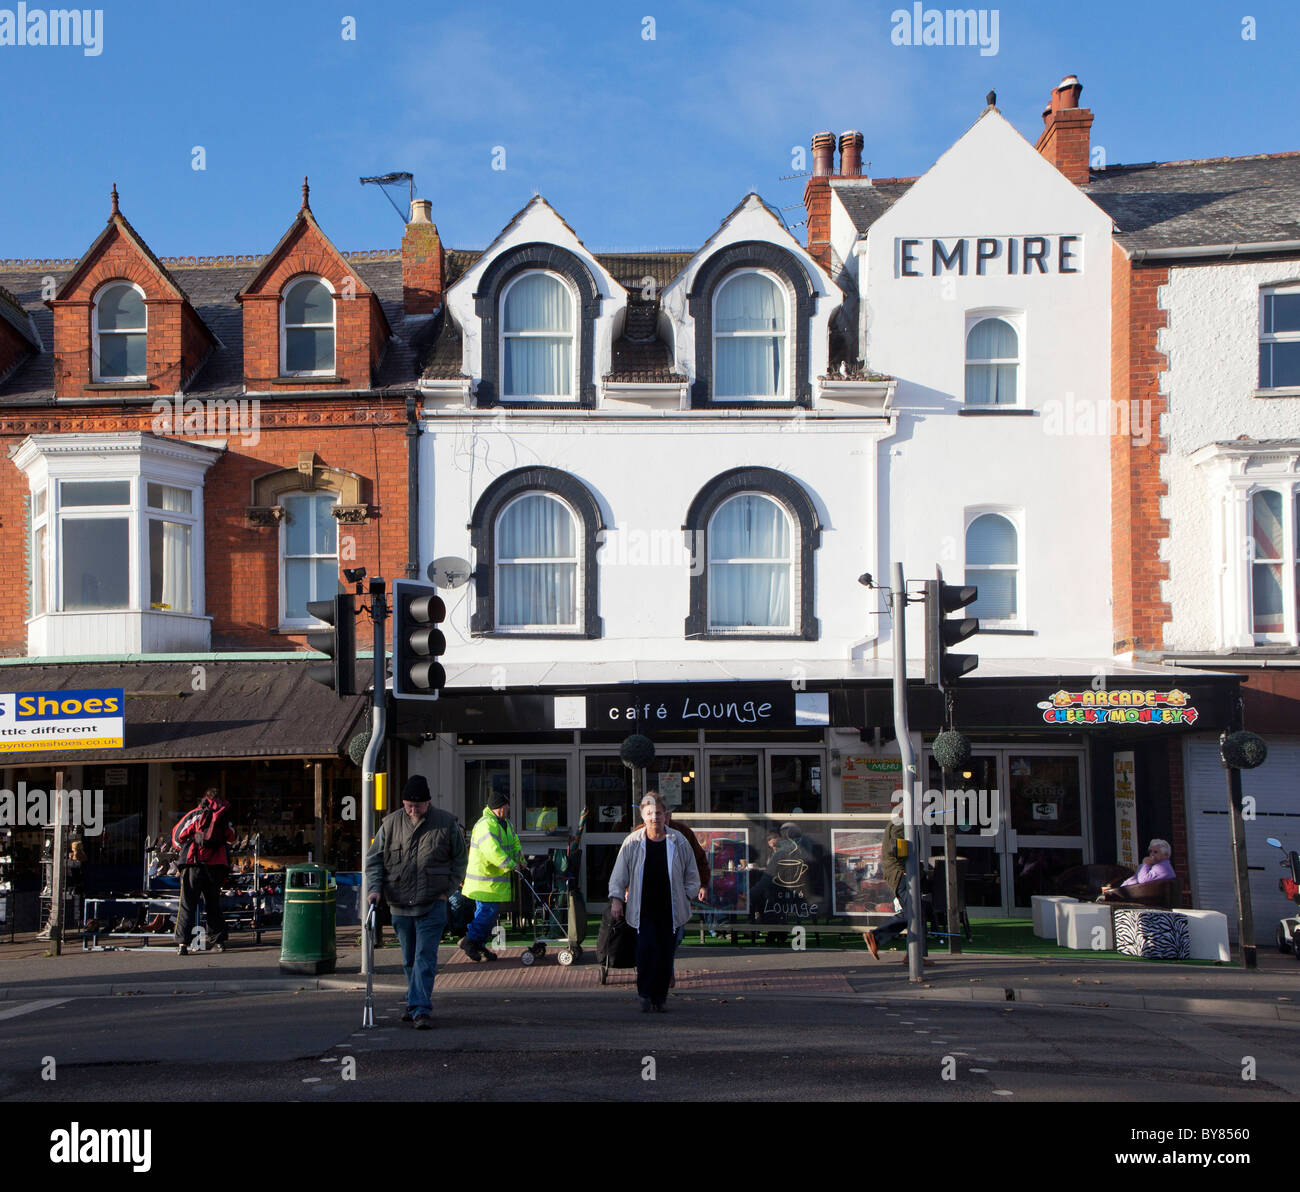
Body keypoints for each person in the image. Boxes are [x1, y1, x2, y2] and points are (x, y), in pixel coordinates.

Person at [365, 775, 467, 1029]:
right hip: (399, 904)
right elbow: (374, 860)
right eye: (409, 805)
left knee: (424, 957)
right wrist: (375, 889)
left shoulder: (445, 823)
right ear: (403, 802)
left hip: (432, 903)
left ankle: (420, 1009)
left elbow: (460, 860)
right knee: (409, 959)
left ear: (428, 802)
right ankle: (414, 1002)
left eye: (418, 806)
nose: (413, 810)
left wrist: (448, 889)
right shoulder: (389, 824)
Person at [609, 793, 703, 1012]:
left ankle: (660, 997)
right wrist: (616, 900)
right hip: (643, 907)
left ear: (666, 815)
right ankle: (645, 993)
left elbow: (692, 872)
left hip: (670, 908)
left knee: (665, 953)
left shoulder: (677, 840)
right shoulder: (633, 842)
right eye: (649, 813)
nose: (654, 818)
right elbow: (619, 874)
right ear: (643, 815)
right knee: (646, 949)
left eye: (658, 813)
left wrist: (687, 893)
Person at [172, 786, 236, 955]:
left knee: (187, 903)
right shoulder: (223, 815)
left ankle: (182, 944)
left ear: (204, 799)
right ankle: (218, 942)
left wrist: (185, 848)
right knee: (213, 904)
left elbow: (177, 836)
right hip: (215, 866)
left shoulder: (195, 814)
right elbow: (232, 837)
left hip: (194, 863)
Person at [460, 791, 522, 962]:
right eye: (506, 805)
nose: (509, 808)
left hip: (491, 882)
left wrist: (521, 860)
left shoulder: (505, 823)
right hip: (484, 881)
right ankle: (470, 941)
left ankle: (476, 943)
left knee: (486, 914)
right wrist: (511, 864)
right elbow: (492, 851)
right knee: (489, 912)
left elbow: (515, 843)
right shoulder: (486, 825)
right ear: (500, 807)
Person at [862, 817, 930, 963]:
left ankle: (914, 955)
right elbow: (899, 850)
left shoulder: (902, 823)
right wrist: (910, 871)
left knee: (915, 913)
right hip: (902, 875)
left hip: (901, 874)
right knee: (915, 913)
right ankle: (877, 936)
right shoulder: (901, 824)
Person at [1099, 839, 1176, 902]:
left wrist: (1145, 864)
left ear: (1165, 855)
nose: (1152, 854)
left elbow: (1143, 880)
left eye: (1155, 852)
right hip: (1132, 893)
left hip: (1138, 898)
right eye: (1150, 851)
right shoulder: (1157, 865)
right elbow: (1137, 876)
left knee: (1106, 897)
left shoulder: (1162, 867)